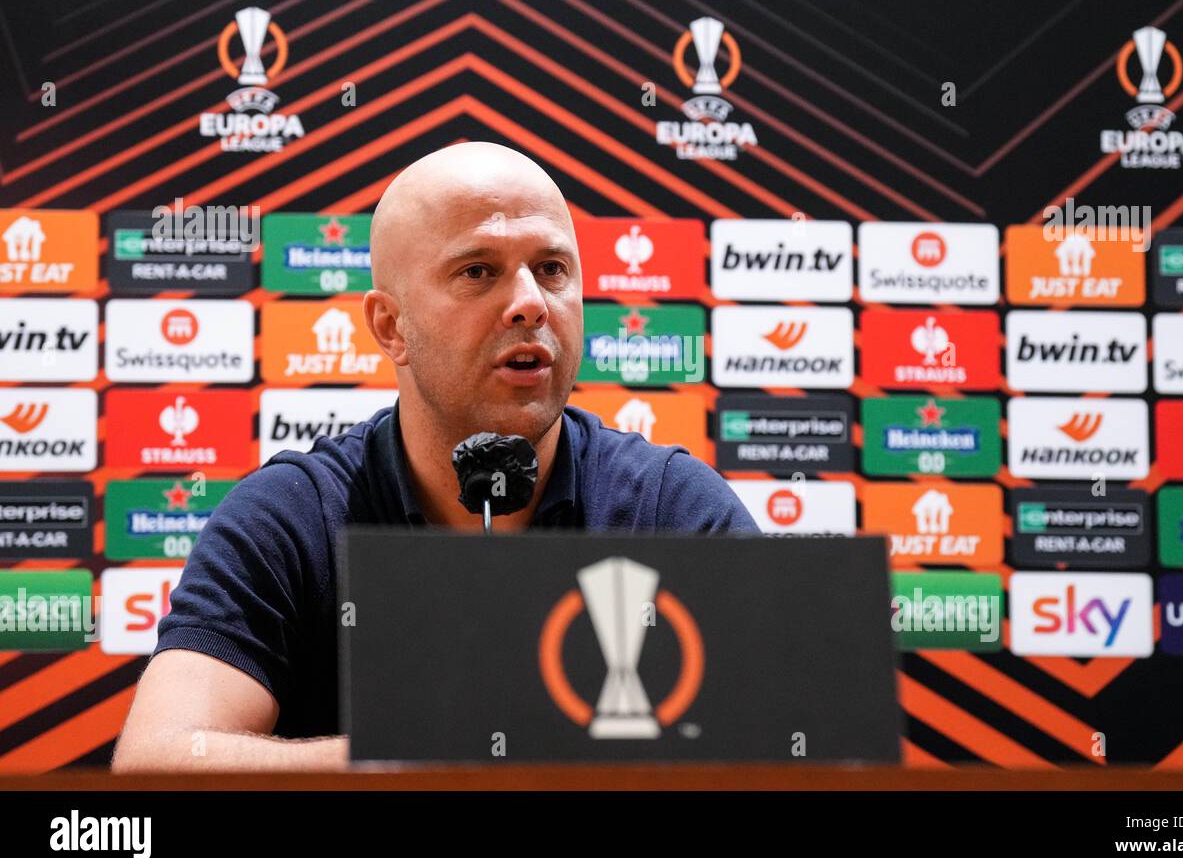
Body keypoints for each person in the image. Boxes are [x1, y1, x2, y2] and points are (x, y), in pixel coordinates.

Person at [111, 143, 759, 772]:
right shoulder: (292, 517)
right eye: (479, 270)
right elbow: (158, 759)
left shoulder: (669, 507)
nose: (531, 301)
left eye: (553, 269)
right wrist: (410, 760)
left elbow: (796, 745)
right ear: (391, 327)